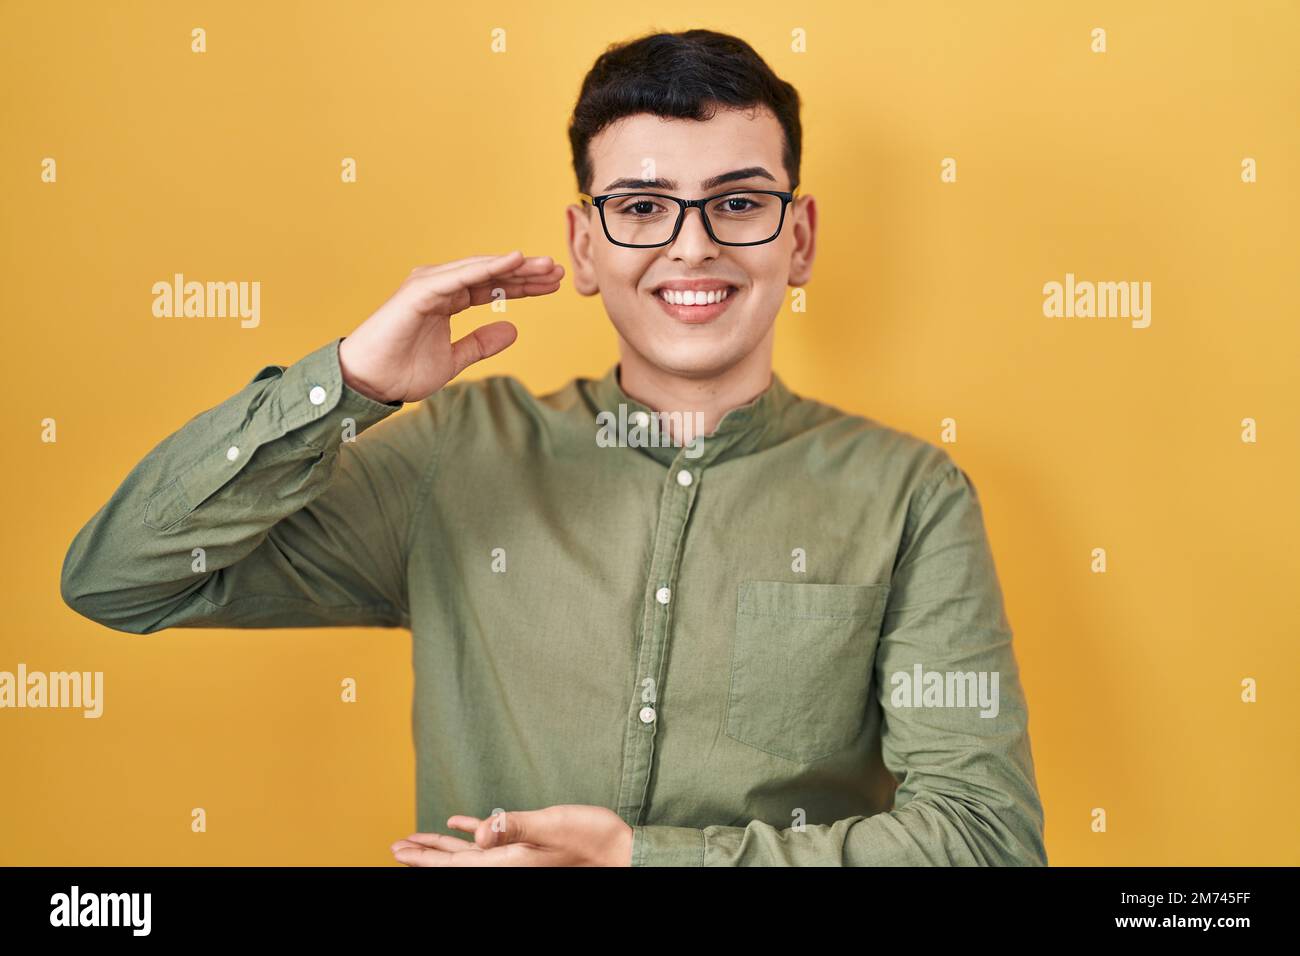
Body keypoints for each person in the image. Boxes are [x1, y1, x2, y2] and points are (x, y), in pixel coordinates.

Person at [60, 28, 1047, 866]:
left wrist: (638, 857)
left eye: (739, 203)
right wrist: (348, 386)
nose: (692, 246)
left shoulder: (909, 492)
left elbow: (985, 836)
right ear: (584, 245)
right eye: (642, 207)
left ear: (800, 237)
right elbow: (121, 577)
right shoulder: (459, 454)